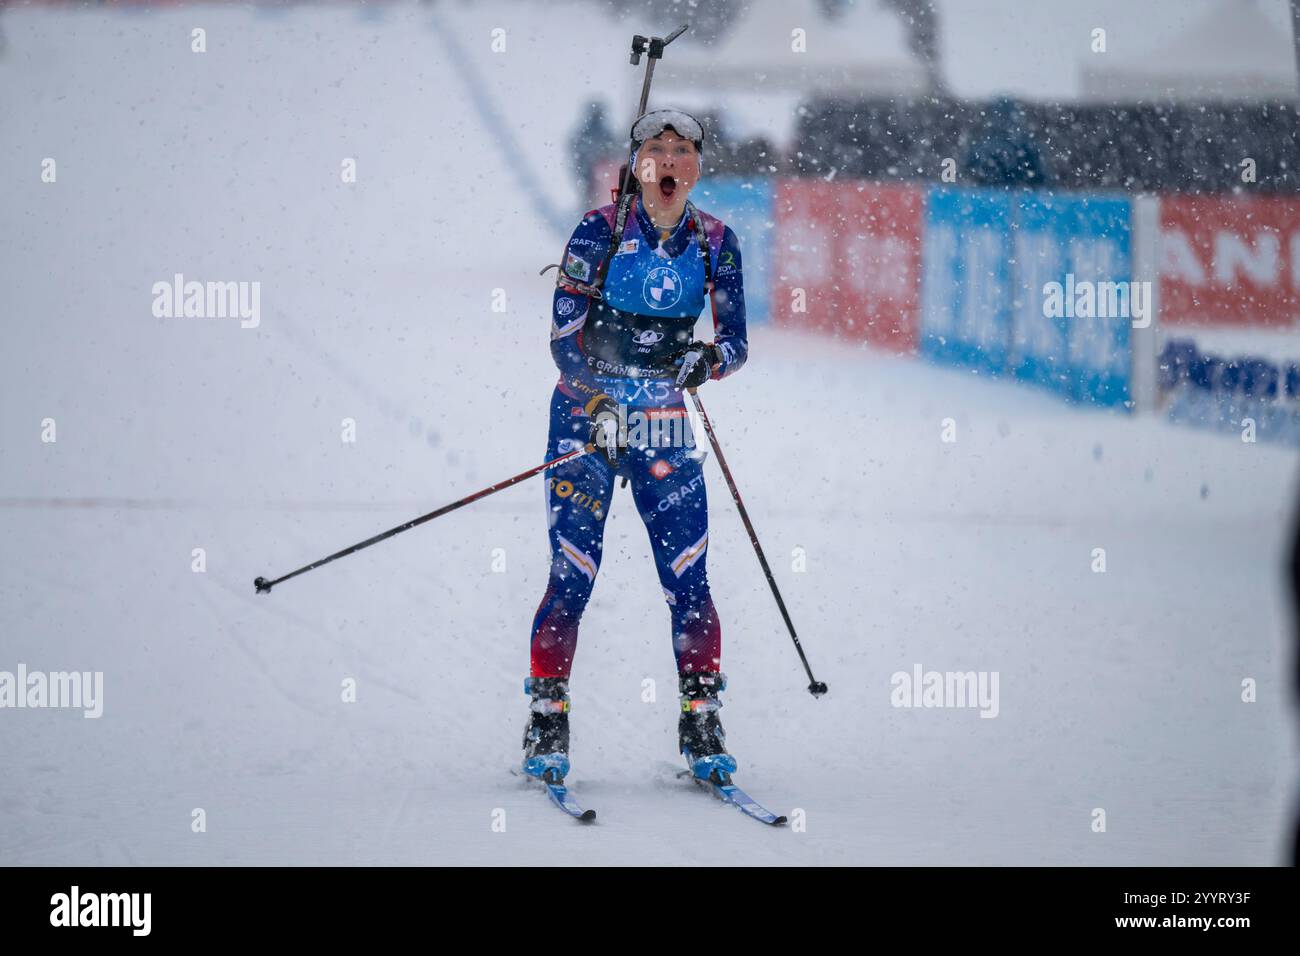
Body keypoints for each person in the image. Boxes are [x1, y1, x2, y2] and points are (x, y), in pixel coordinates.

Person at [523, 109, 748, 785]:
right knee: (573, 577)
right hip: (586, 421)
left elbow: (736, 341)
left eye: (683, 151)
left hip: (664, 426)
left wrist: (707, 362)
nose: (671, 161)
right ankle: (546, 722)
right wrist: (598, 404)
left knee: (688, 579)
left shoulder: (717, 241)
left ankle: (702, 721)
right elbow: (563, 340)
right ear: (637, 164)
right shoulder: (599, 231)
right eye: (657, 149)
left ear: (698, 166)